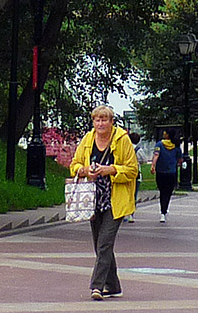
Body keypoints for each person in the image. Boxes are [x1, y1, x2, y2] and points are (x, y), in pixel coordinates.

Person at [69, 105, 138, 300]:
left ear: (111, 122)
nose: (100, 124)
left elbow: (133, 169)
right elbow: (74, 165)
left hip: (115, 200)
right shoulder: (88, 139)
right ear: (93, 122)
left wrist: (112, 170)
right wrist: (84, 171)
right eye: (97, 120)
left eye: (104, 120)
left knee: (104, 243)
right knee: (100, 244)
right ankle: (113, 286)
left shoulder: (122, 140)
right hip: (92, 199)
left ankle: (96, 287)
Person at [151, 126, 181, 221]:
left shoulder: (159, 144)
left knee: (162, 191)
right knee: (168, 192)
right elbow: (180, 159)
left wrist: (153, 165)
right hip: (171, 172)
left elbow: (156, 155)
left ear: (167, 135)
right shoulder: (176, 146)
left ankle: (162, 210)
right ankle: (164, 210)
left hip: (160, 172)